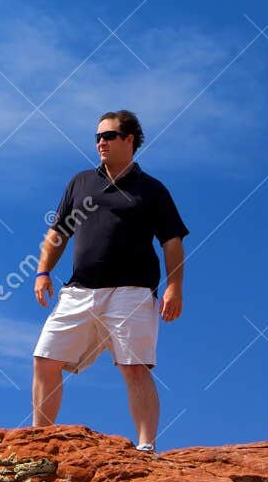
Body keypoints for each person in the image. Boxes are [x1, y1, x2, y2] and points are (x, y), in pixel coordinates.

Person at [31, 109, 188, 453]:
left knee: (135, 368)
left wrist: (175, 286)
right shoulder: (81, 182)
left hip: (132, 292)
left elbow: (172, 241)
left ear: (129, 140)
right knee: (45, 358)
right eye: (97, 137)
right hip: (79, 290)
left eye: (108, 136)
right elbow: (59, 233)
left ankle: (146, 448)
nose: (100, 142)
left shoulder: (152, 190)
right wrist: (43, 272)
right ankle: (38, 441)